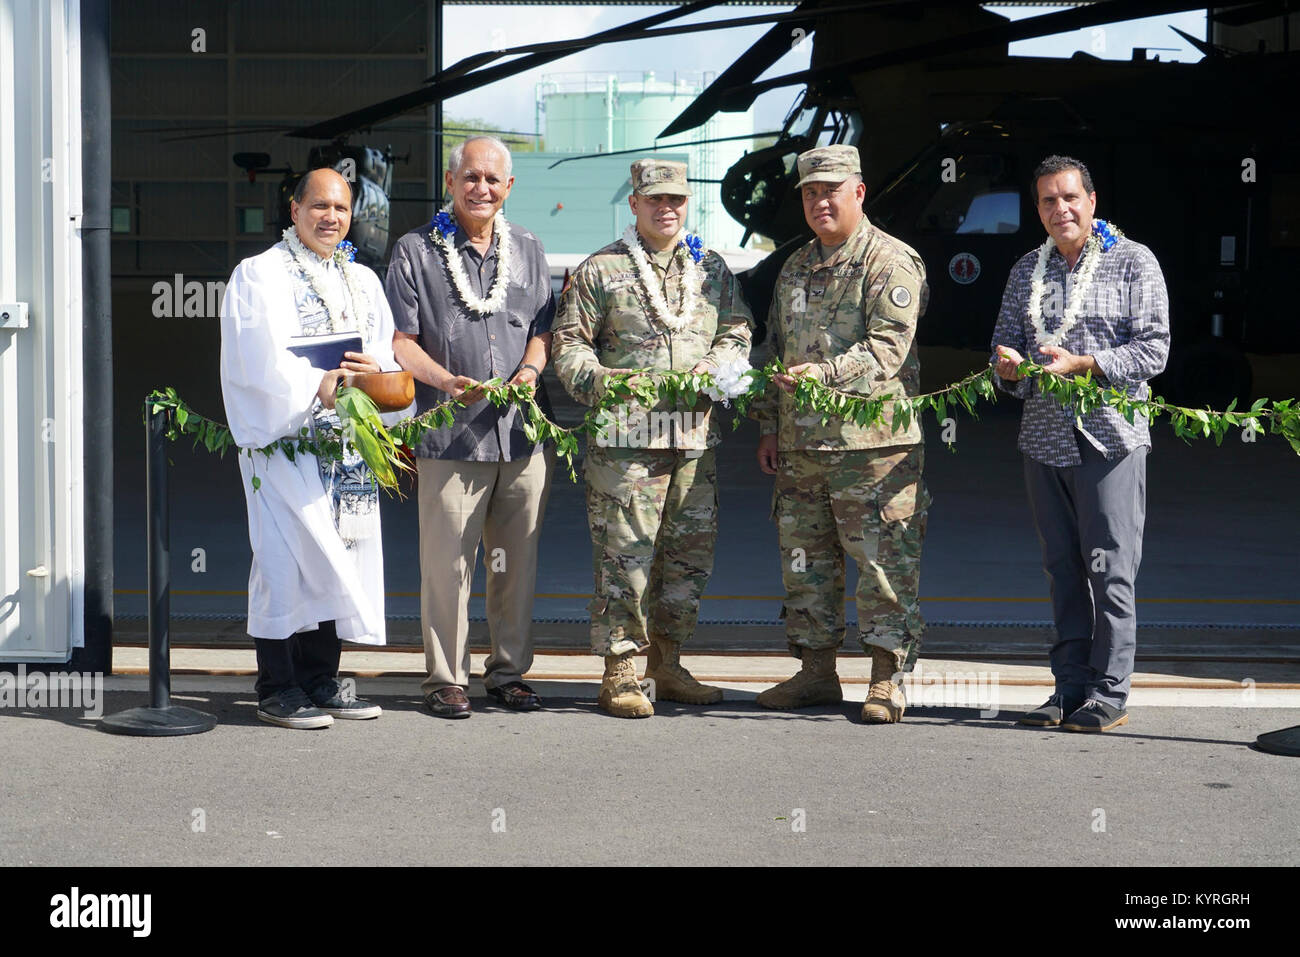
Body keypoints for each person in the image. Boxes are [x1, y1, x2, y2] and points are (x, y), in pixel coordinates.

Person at [552, 158, 753, 718]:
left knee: (688, 558)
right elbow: (569, 349)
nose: (667, 209)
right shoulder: (601, 270)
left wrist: (719, 361)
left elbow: (738, 329)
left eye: (677, 201)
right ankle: (620, 669)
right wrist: (612, 384)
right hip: (627, 445)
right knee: (625, 558)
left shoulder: (710, 269)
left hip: (692, 441)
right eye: (655, 200)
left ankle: (667, 662)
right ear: (635, 204)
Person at [992, 154, 1169, 733]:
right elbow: (1001, 348)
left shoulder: (1132, 262)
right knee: (1062, 567)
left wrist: (1087, 364)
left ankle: (1109, 691)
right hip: (1044, 440)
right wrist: (1007, 367)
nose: (1059, 209)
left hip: (1110, 439)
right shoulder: (1027, 269)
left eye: (1069, 197)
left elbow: (1154, 350)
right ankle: (1067, 688)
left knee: (1110, 569)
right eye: (1047, 200)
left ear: (1091, 202)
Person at [753, 144, 930, 724]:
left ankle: (886, 678)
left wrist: (826, 375)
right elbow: (774, 349)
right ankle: (815, 673)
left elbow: (887, 347)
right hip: (803, 448)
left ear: (858, 192)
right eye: (809, 192)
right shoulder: (796, 266)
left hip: (873, 449)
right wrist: (770, 426)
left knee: (882, 564)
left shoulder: (891, 261)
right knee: (805, 561)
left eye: (831, 190)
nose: (820, 201)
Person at [386, 136, 555, 719]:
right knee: (448, 565)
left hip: (521, 434)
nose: (481, 188)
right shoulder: (416, 250)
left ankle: (508, 672)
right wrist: (446, 380)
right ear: (451, 183)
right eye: (470, 177)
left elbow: (542, 328)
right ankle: (444, 677)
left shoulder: (528, 247)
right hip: (449, 436)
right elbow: (400, 342)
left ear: (509, 188)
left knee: (516, 561)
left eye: (492, 179)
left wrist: (531, 370)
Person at [220, 167, 394, 729]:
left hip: (343, 448)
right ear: (293, 209)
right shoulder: (259, 275)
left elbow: (384, 353)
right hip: (284, 442)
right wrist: (313, 387)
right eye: (319, 206)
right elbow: (254, 361)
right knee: (283, 561)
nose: (331, 218)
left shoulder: (361, 279)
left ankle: (321, 680)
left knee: (337, 558)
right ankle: (277, 685)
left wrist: (374, 374)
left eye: (341, 209)